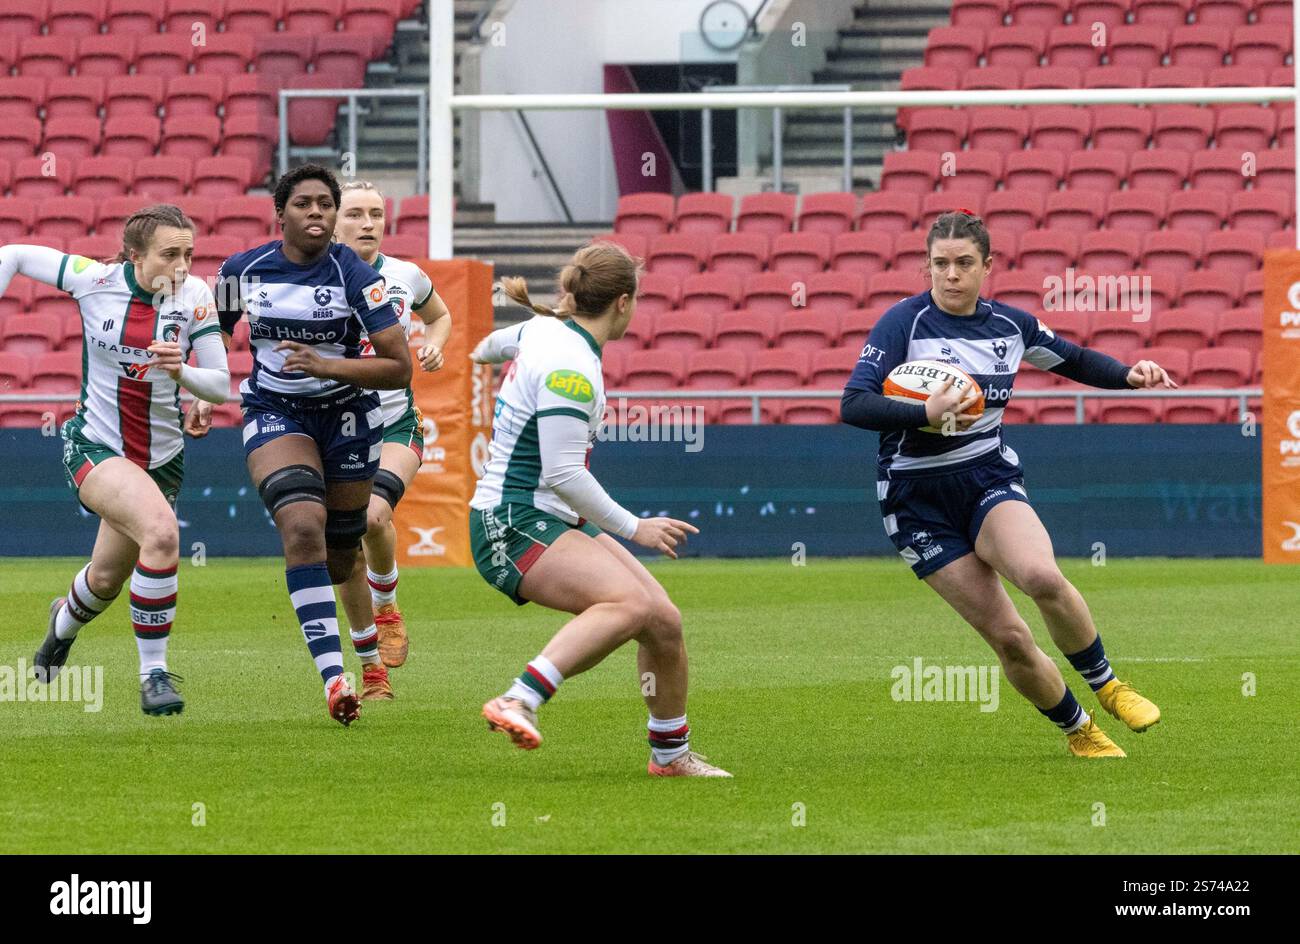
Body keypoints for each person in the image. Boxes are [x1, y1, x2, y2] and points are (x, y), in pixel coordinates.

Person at [841, 210, 1170, 759]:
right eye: (940, 264)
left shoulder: (1011, 327)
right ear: (927, 266)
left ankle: (1109, 685)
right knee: (1010, 638)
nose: (951, 275)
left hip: (985, 477)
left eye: (964, 263)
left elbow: (1075, 359)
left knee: (1041, 574)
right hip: (915, 499)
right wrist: (923, 410)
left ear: (987, 266)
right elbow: (854, 403)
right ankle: (1079, 731)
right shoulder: (903, 323)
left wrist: (1127, 374)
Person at [469, 242, 730, 777]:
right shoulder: (572, 367)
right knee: (629, 604)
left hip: (547, 513)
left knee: (663, 622)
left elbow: (488, 345)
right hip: (513, 520)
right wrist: (637, 528)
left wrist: (481, 360)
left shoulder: (544, 331)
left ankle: (670, 756)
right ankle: (520, 698)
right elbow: (564, 473)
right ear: (622, 303)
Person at [0, 205, 230, 714]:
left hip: (162, 459)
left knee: (104, 580)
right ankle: (154, 676)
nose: (182, 266)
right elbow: (14, 252)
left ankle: (61, 629)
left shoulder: (194, 297)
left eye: (189, 254)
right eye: (170, 254)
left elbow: (220, 381)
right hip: (96, 447)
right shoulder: (93, 279)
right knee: (164, 535)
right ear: (135, 255)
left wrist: (185, 376)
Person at [215, 164, 410, 725]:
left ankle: (369, 640)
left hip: (346, 414)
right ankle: (335, 679)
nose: (317, 213)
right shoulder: (241, 270)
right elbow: (214, 333)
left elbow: (399, 368)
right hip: (275, 410)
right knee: (302, 528)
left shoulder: (355, 275)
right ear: (281, 214)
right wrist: (204, 388)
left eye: (326, 203)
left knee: (340, 553)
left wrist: (328, 365)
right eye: (304, 204)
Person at [331, 180, 453, 697]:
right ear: (332, 222)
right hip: (331, 430)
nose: (368, 224)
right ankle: (370, 668)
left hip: (394, 422)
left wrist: (434, 344)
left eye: (376, 214)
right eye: (355, 214)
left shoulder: (406, 275)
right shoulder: (314, 280)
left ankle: (387, 606)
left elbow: (440, 314)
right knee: (342, 550)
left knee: (374, 516)